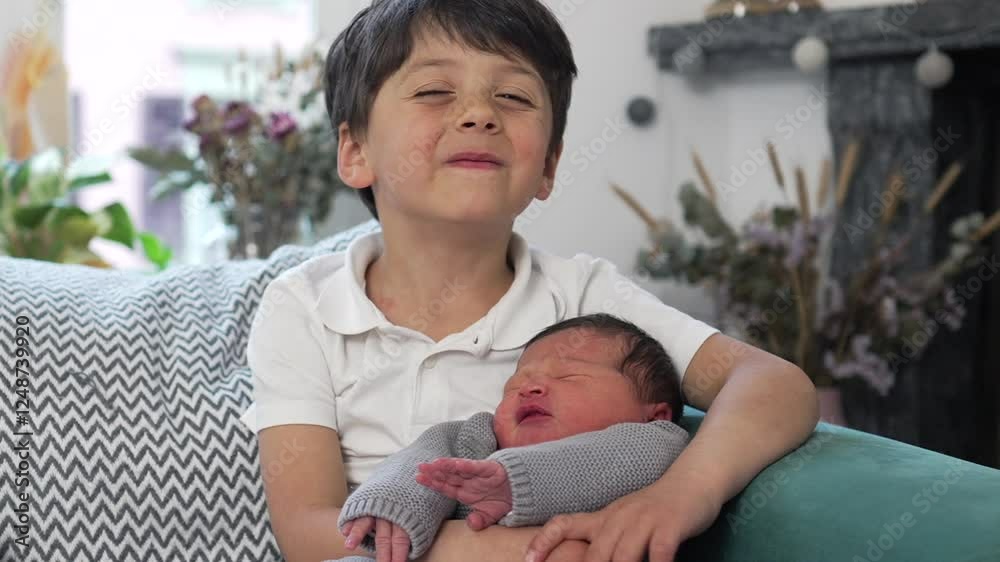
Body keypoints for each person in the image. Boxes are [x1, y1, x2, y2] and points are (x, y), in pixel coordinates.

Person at [240, 1, 819, 561]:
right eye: (434, 91)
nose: (479, 115)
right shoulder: (304, 306)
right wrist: (530, 552)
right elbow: (310, 531)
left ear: (547, 165)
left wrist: (682, 494)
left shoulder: (586, 297)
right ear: (354, 151)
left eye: (513, 97)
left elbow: (775, 384)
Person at [326, 314, 689, 562]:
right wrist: (395, 503)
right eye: (515, 385)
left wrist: (517, 482)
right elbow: (425, 463)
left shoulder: (657, 441)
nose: (530, 388)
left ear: (653, 415)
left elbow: (638, 456)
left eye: (568, 377)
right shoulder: (477, 440)